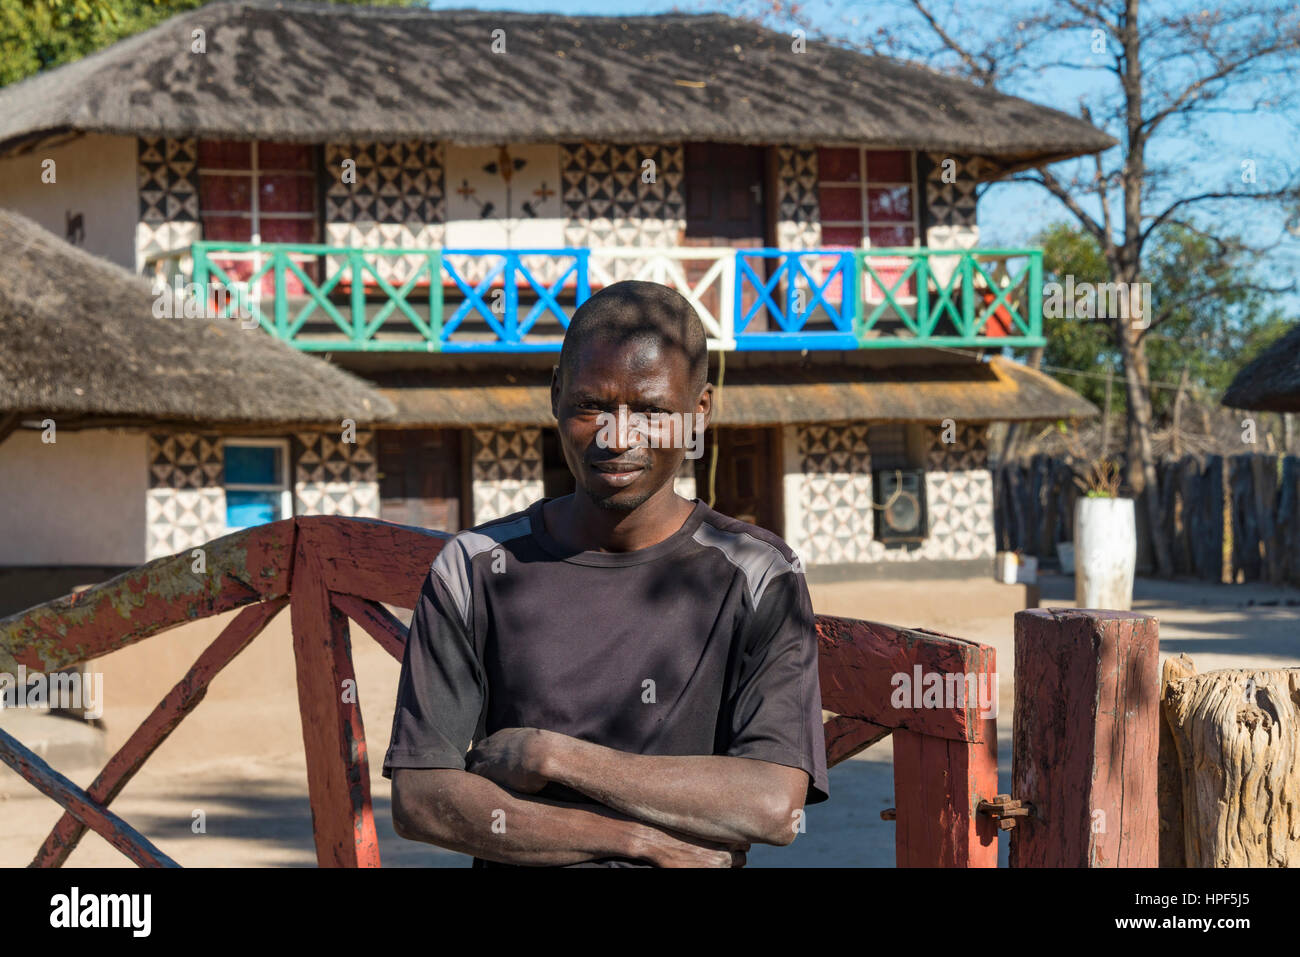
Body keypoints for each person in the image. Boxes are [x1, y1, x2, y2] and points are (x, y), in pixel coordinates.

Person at [384, 280, 828, 867]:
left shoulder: (758, 575)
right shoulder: (473, 569)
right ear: (556, 395)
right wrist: (630, 840)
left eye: (650, 411)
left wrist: (555, 758)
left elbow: (772, 805)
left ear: (699, 413)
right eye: (592, 406)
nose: (618, 438)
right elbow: (419, 798)